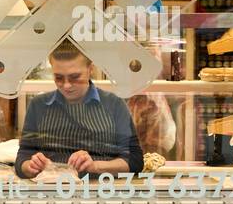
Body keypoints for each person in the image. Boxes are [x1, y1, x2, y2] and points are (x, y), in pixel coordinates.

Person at [16, 41, 144, 178]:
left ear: (90, 69)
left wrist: (95, 166)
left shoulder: (114, 104)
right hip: (51, 193)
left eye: (75, 77)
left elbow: (135, 162)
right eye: (59, 77)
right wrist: (31, 166)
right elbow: (23, 158)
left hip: (103, 193)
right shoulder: (38, 105)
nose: (66, 86)